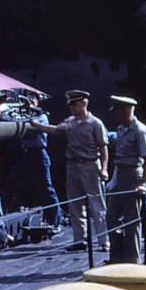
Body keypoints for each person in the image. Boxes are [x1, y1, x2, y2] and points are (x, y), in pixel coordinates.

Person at [29, 90, 109, 253]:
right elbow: (56, 130)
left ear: (84, 103)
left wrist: (104, 169)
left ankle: (104, 240)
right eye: (71, 105)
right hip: (73, 167)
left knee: (97, 205)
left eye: (75, 104)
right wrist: (37, 125)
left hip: (90, 166)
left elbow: (103, 147)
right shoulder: (70, 122)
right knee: (75, 205)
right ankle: (79, 240)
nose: (72, 108)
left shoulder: (95, 123)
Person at [105, 96, 146, 265]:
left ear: (125, 110)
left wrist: (144, 184)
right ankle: (117, 256)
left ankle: (133, 260)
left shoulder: (140, 130)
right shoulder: (120, 129)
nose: (114, 114)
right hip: (119, 173)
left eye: (117, 111)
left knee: (132, 221)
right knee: (111, 218)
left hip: (133, 175)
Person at [6, 104, 63, 228]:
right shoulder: (23, 116)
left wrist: (28, 120)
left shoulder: (42, 117)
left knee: (47, 187)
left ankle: (56, 221)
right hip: (27, 153)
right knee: (14, 180)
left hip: (39, 153)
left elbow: (36, 127)